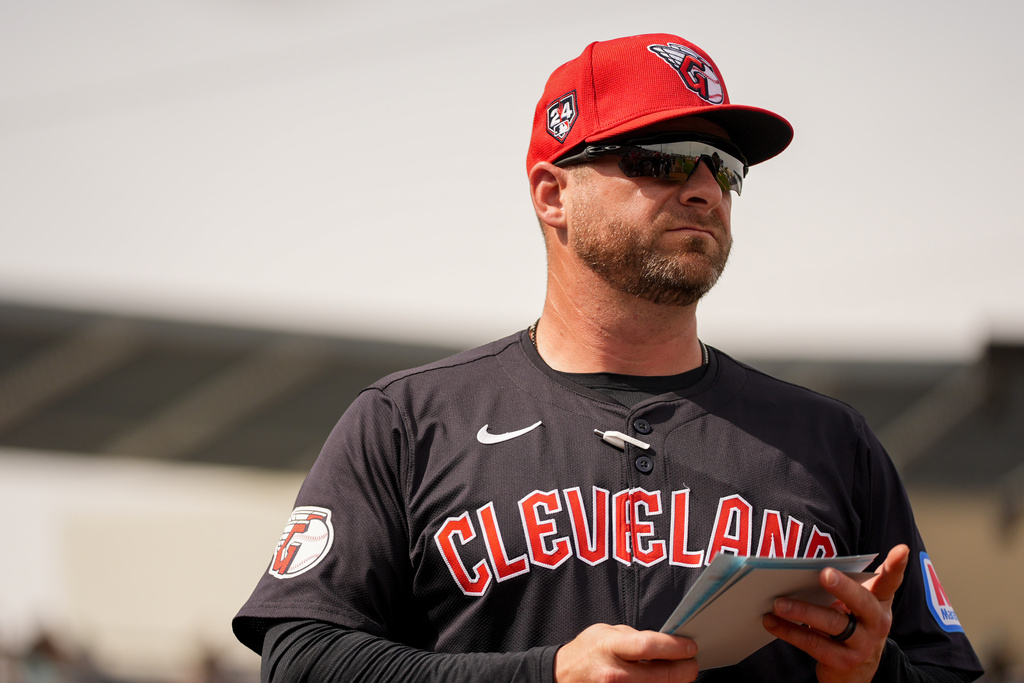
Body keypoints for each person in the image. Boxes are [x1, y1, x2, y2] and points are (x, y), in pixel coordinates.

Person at [233, 33, 984, 682]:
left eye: (724, 168)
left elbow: (944, 668)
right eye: (661, 159)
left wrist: (872, 671)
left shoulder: (831, 441)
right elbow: (300, 656)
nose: (703, 189)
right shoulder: (407, 421)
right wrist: (544, 674)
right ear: (553, 194)